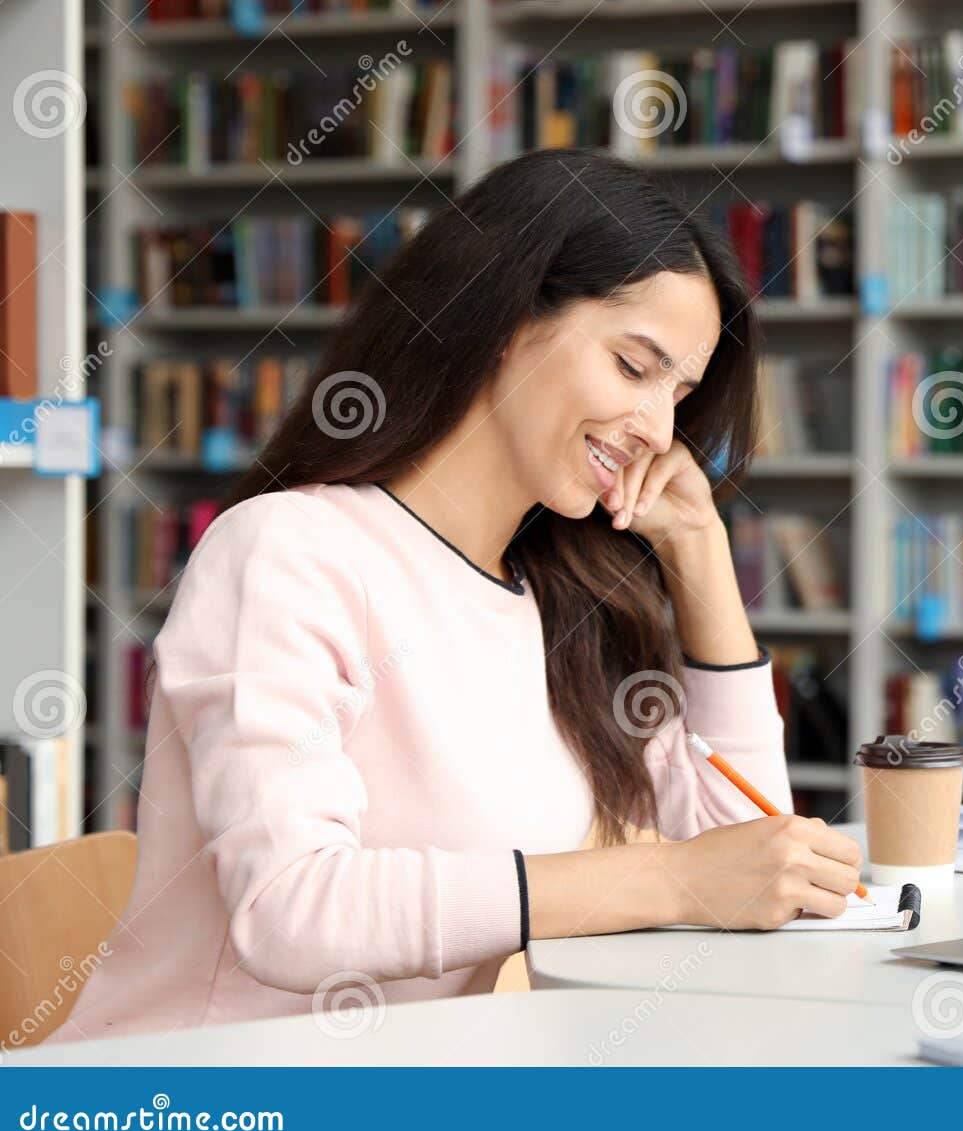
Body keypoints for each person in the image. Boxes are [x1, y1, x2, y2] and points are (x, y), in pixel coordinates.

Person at [56, 149, 861, 1042]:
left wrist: (701, 554)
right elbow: (288, 908)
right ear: (507, 320)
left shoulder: (562, 600)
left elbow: (748, 864)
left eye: (681, 395)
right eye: (636, 368)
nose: (659, 431)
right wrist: (671, 878)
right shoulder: (289, 552)